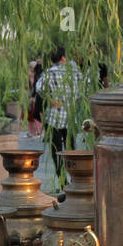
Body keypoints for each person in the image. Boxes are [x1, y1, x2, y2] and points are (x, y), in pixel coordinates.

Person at [34, 46, 85, 188]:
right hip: (69, 116)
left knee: (56, 151)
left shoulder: (49, 72)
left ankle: (63, 183)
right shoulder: (74, 70)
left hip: (53, 118)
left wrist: (50, 100)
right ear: (63, 57)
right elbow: (81, 89)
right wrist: (73, 98)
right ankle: (76, 181)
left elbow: (39, 88)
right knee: (71, 150)